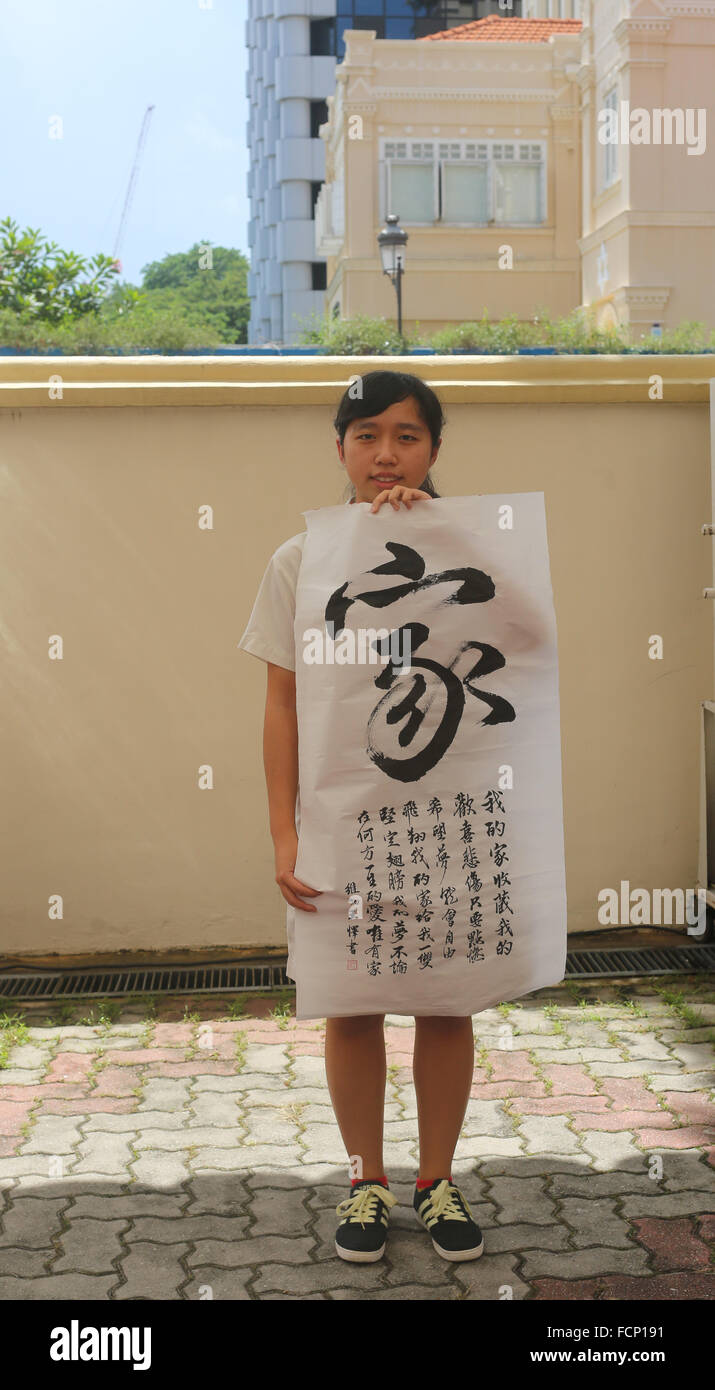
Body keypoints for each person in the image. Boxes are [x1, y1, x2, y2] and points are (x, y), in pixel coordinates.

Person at [238, 371, 484, 1265]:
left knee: (444, 998)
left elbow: (526, 653)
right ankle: (365, 1179)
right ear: (338, 447)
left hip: (444, 818)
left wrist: (434, 536)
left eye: (408, 436)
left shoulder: (474, 550)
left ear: (434, 449)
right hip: (344, 821)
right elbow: (280, 703)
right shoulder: (298, 561)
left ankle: (438, 1179)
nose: (386, 455)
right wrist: (283, 831)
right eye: (367, 435)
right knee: (350, 1005)